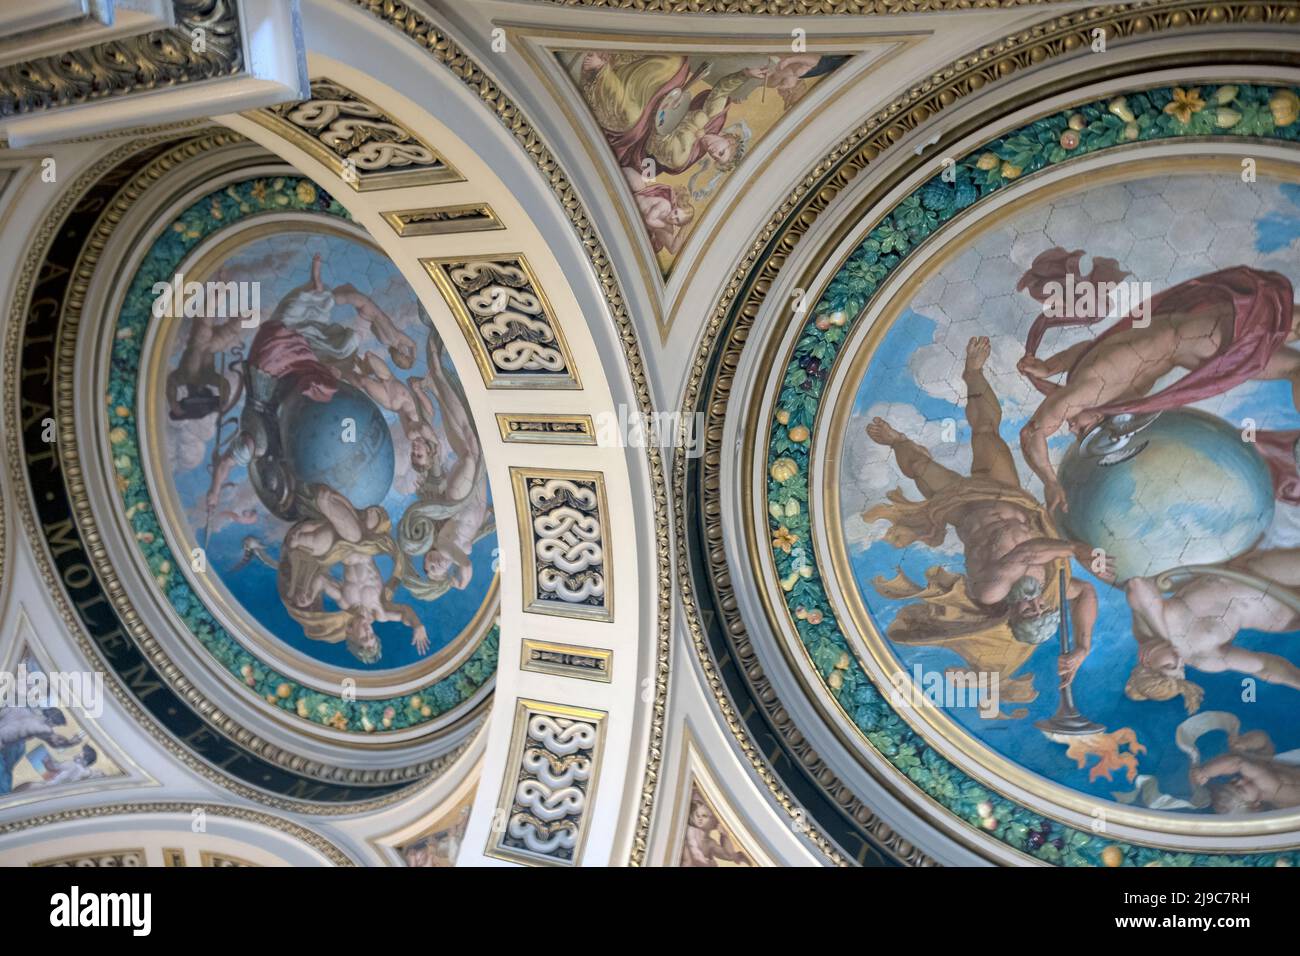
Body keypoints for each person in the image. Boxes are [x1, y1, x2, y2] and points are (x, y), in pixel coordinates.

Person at [866, 337, 1110, 710]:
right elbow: (1087, 594)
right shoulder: (1047, 592)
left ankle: (898, 441)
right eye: (1043, 611)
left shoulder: (991, 594)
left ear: (1012, 616)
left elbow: (1025, 552)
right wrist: (1082, 647)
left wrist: (1076, 550)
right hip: (1007, 495)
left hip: (964, 508)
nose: (1035, 605)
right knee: (988, 434)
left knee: (920, 467)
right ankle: (974, 374)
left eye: (1029, 612)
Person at [1015, 249, 1300, 512]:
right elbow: (1083, 350)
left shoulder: (1088, 391)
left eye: (1081, 431)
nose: (1072, 427)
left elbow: (1032, 433)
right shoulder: (1088, 378)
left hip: (1199, 338)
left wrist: (1050, 482)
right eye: (1082, 431)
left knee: (1280, 323)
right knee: (1293, 361)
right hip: (1195, 343)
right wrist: (1047, 367)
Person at [1123, 547, 1300, 712]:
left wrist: (1168, 636)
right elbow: (1263, 666)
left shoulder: (1145, 629)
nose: (1180, 661)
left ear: (1146, 662)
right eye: (1181, 669)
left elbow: (1137, 585)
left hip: (1258, 571)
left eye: (1169, 665)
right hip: (1280, 613)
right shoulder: (1202, 659)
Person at [278, 484, 429, 664]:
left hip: (340, 547)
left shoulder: (346, 603)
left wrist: (310, 595)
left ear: (350, 634)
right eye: (372, 635)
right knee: (331, 508)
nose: (368, 631)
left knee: (310, 542)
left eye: (364, 637)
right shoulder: (379, 611)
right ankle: (326, 504)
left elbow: (322, 580)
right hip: (363, 541)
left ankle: (318, 513)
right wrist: (417, 625)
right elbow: (404, 613)